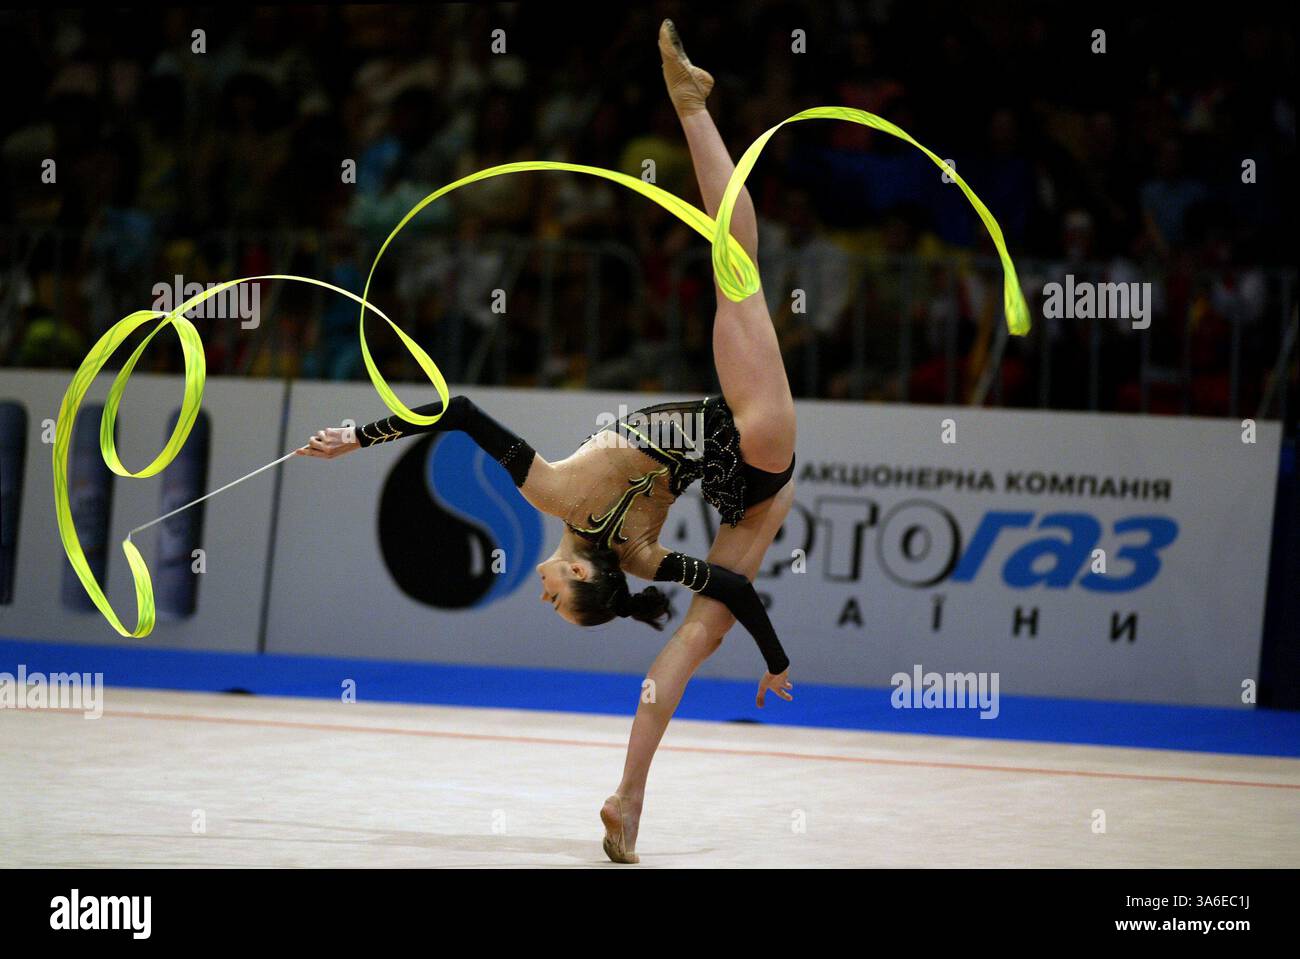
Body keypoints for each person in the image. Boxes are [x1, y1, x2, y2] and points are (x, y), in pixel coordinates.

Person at [297, 20, 797, 864]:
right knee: (734, 263)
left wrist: (777, 661)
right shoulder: (554, 494)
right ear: (575, 569)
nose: (544, 596)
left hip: (760, 472)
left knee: (695, 640)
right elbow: (456, 408)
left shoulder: (640, 564)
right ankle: (690, 109)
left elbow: (738, 595)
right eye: (558, 600)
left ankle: (629, 800)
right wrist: (358, 435)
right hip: (740, 432)